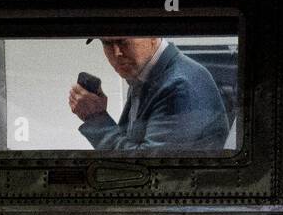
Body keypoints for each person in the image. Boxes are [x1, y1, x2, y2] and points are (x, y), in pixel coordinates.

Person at [68, 37, 229, 153]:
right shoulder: (146, 74)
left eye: (123, 41)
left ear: (152, 36)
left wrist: (97, 119)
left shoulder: (178, 86)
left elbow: (148, 170)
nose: (116, 52)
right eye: (107, 43)